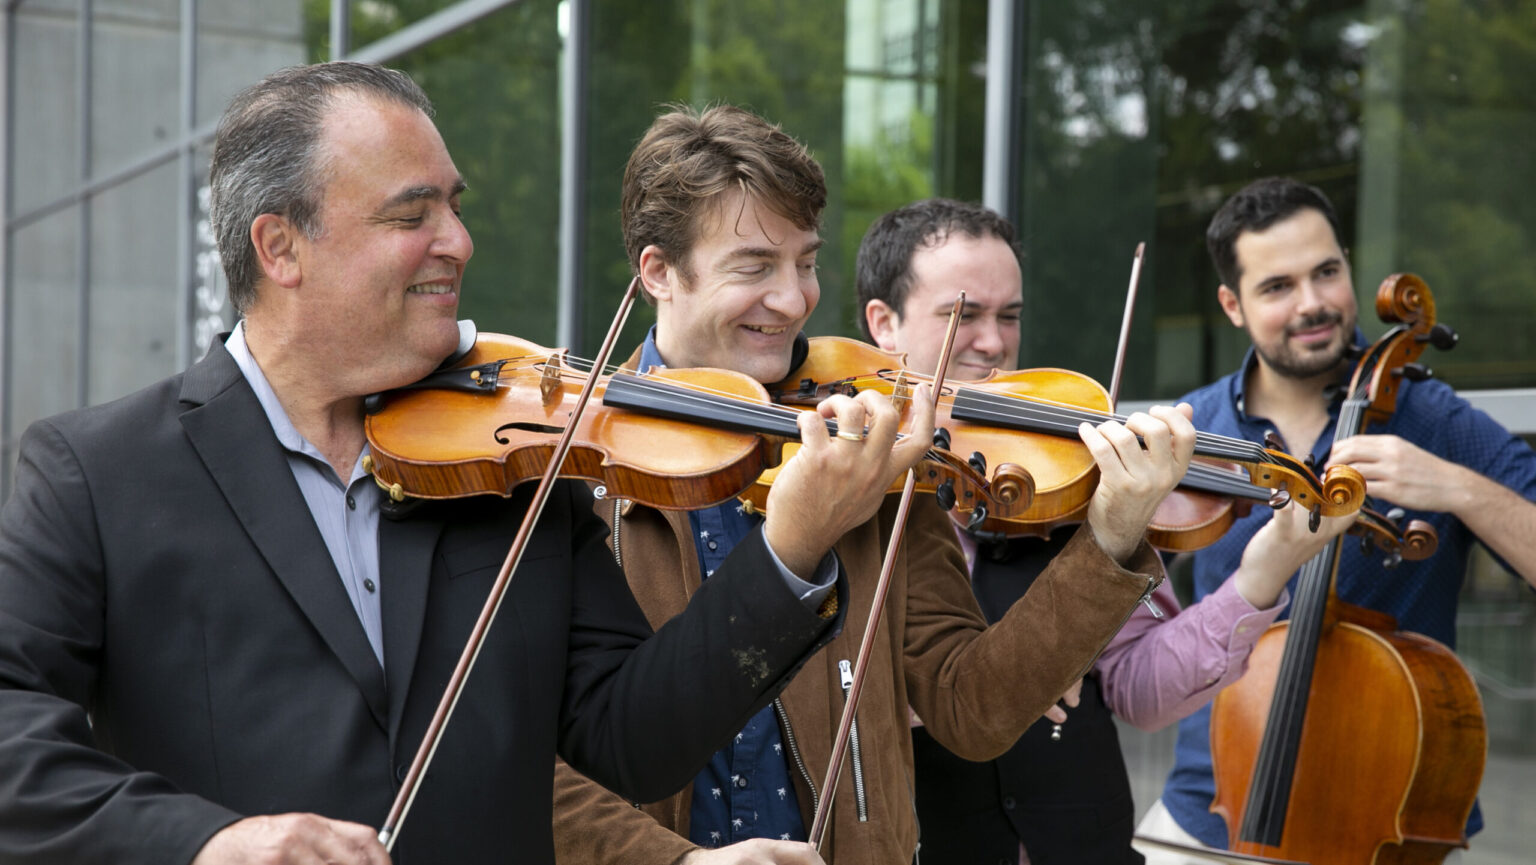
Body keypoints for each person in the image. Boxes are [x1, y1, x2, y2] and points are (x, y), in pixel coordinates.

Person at [0, 62, 935, 865]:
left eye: (454, 206)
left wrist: (789, 547)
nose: (458, 240)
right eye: (413, 214)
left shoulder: (517, 471)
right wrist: (203, 843)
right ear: (281, 246)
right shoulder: (95, 473)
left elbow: (636, 739)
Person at [549, 105, 1198, 865]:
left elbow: (971, 704)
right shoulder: (570, 462)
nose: (793, 300)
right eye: (755, 265)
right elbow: (512, 753)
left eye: (805, 262)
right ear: (659, 271)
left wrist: (1110, 537)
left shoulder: (872, 446)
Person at [856, 197, 1355, 865]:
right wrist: (1007, 675)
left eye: (1010, 316)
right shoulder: (849, 495)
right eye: (963, 315)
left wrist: (1265, 569)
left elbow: (1141, 691)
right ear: (883, 323)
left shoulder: (1061, 478)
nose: (995, 341)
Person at [1136, 176, 1536, 861]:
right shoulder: (1194, 427)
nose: (1313, 303)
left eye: (1327, 272)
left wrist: (1460, 488)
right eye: (1277, 286)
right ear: (1232, 304)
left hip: (1386, 818)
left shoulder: (1430, 418)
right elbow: (1124, 599)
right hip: (1209, 814)